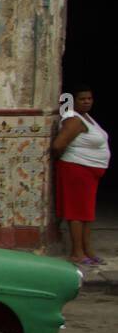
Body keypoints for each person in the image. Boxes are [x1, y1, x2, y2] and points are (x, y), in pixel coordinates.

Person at [51, 85, 110, 267]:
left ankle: (88, 250)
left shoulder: (87, 118)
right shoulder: (73, 120)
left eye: (89, 99)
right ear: (73, 101)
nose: (87, 102)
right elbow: (58, 145)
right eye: (82, 99)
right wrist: (68, 161)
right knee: (76, 213)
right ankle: (77, 252)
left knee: (86, 214)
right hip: (77, 169)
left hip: (88, 171)